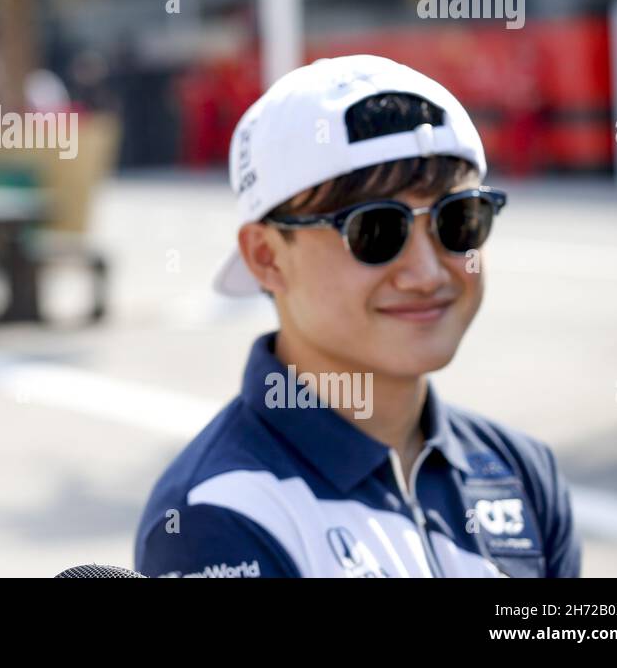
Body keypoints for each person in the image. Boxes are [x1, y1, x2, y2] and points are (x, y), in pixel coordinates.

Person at [134, 54, 581, 577]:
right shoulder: (219, 512)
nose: (426, 273)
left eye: (459, 219)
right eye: (375, 231)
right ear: (267, 256)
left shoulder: (520, 471)